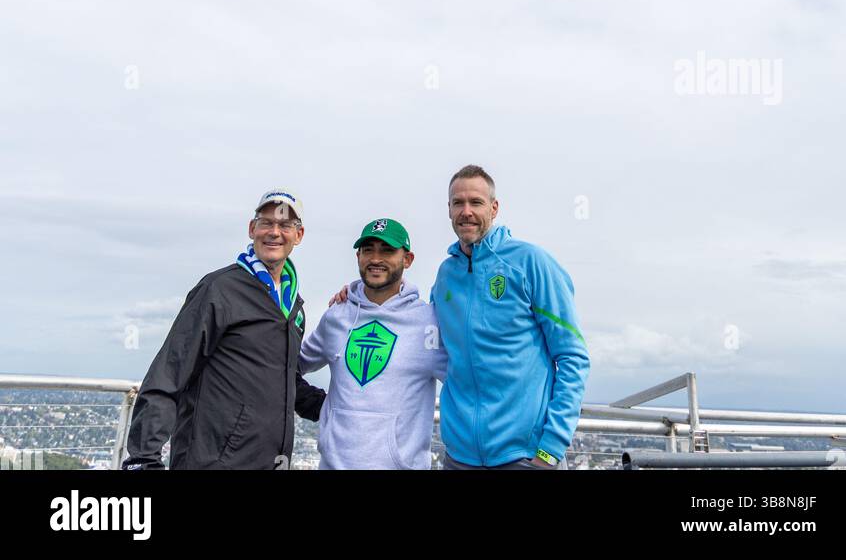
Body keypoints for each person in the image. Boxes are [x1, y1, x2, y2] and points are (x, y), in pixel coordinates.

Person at [122, 188, 325, 470]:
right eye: (266, 222)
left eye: (285, 225)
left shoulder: (293, 307)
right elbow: (168, 375)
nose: (274, 232)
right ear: (252, 229)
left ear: (298, 235)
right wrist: (142, 460)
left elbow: (284, 380)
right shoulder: (218, 290)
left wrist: (332, 408)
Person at [431, 164, 590, 470]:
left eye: (476, 202)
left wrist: (551, 448)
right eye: (457, 203)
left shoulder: (531, 263)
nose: (466, 211)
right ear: (448, 210)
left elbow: (573, 356)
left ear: (494, 207)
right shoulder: (445, 275)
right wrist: (355, 293)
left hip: (525, 457)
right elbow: (425, 335)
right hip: (458, 457)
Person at [300, 217, 447, 469]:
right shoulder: (337, 315)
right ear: (358, 256)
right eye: (368, 250)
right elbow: (288, 367)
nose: (376, 259)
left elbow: (468, 386)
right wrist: (313, 404)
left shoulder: (430, 322)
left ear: (408, 259)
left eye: (387, 250)